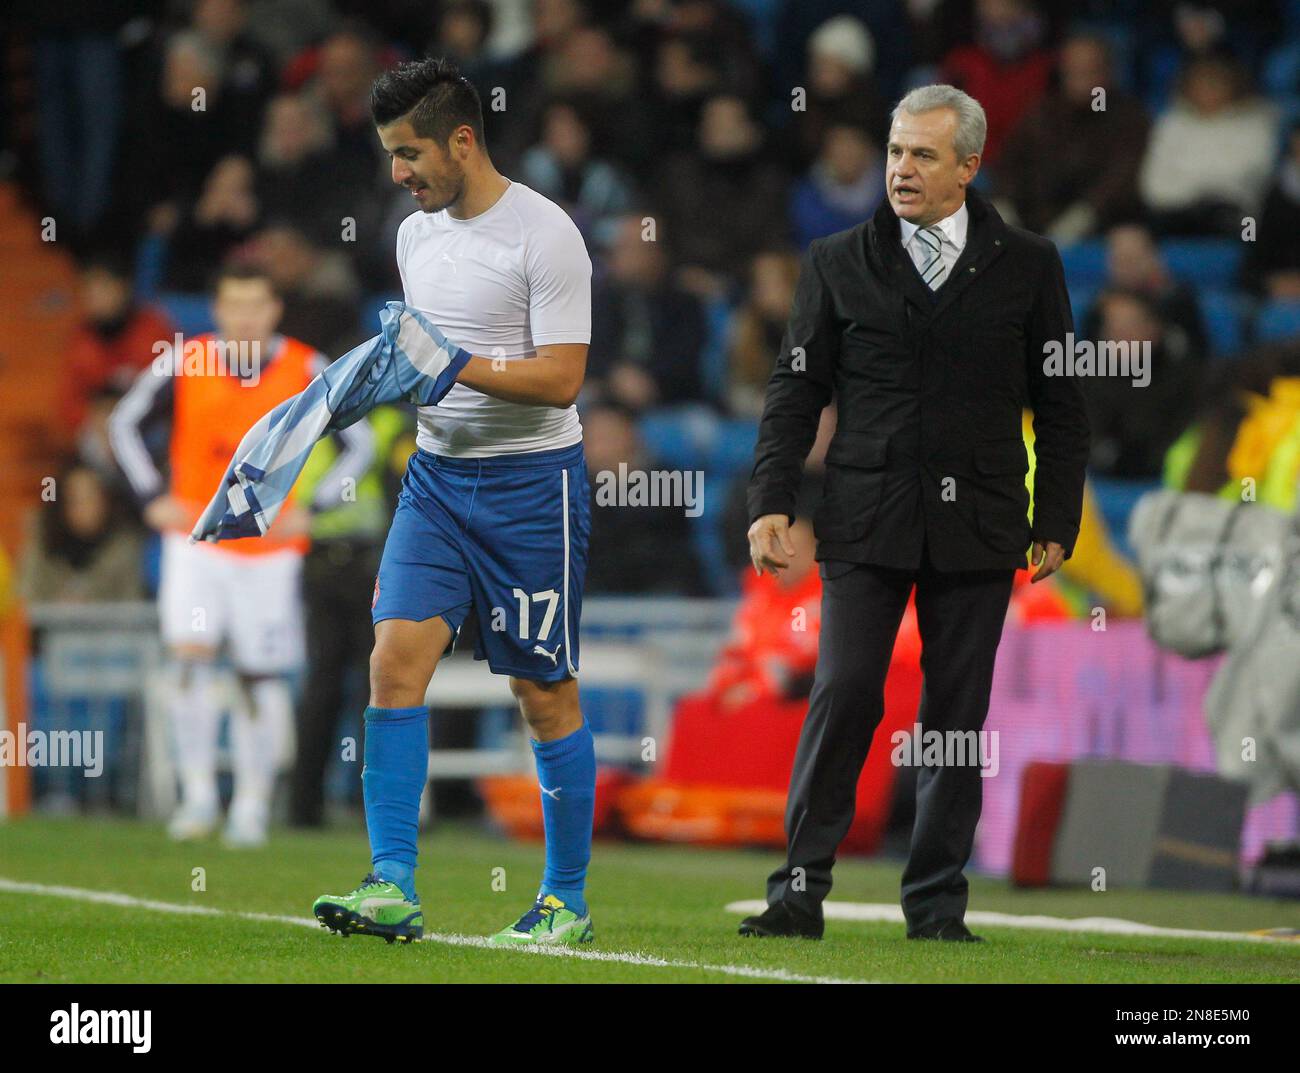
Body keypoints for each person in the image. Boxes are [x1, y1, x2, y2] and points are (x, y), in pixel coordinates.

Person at [741, 85, 1089, 941]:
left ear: (969, 166)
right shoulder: (836, 258)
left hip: (981, 522)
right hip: (864, 514)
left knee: (954, 720)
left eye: (923, 155)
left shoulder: (1029, 262)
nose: (901, 169)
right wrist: (772, 499)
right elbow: (795, 389)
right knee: (847, 690)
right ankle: (797, 891)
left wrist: (1057, 518)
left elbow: (1061, 400)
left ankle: (935, 905)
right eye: (897, 152)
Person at [309, 58, 597, 948]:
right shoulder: (414, 234)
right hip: (435, 483)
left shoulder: (546, 236)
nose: (399, 174)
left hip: (531, 488)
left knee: (540, 691)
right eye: (392, 156)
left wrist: (451, 366)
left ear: (462, 141)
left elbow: (562, 380)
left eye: (409, 154)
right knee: (393, 661)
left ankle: (564, 900)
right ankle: (391, 881)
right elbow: (421, 357)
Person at [109, 262, 368, 847]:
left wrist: (317, 507)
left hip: (268, 552)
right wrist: (152, 497)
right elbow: (123, 425)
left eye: (257, 305)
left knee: (259, 673)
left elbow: (362, 442)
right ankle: (198, 796)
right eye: (234, 305)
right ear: (217, 309)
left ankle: (251, 805)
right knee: (190, 660)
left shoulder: (306, 368)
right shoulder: (185, 359)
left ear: (275, 310)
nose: (245, 317)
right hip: (196, 542)